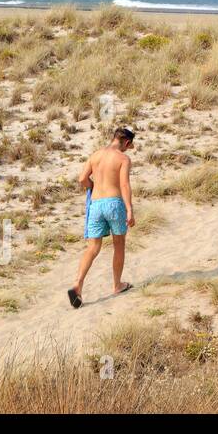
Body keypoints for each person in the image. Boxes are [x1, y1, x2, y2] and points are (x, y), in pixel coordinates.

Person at [69, 128, 136, 308]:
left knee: (93, 247)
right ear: (127, 143)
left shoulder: (95, 155)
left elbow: (82, 178)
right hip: (114, 203)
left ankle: (78, 284)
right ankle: (117, 285)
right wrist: (129, 209)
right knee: (119, 244)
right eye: (130, 146)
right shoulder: (123, 159)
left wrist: (93, 186)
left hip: (96, 204)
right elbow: (124, 184)